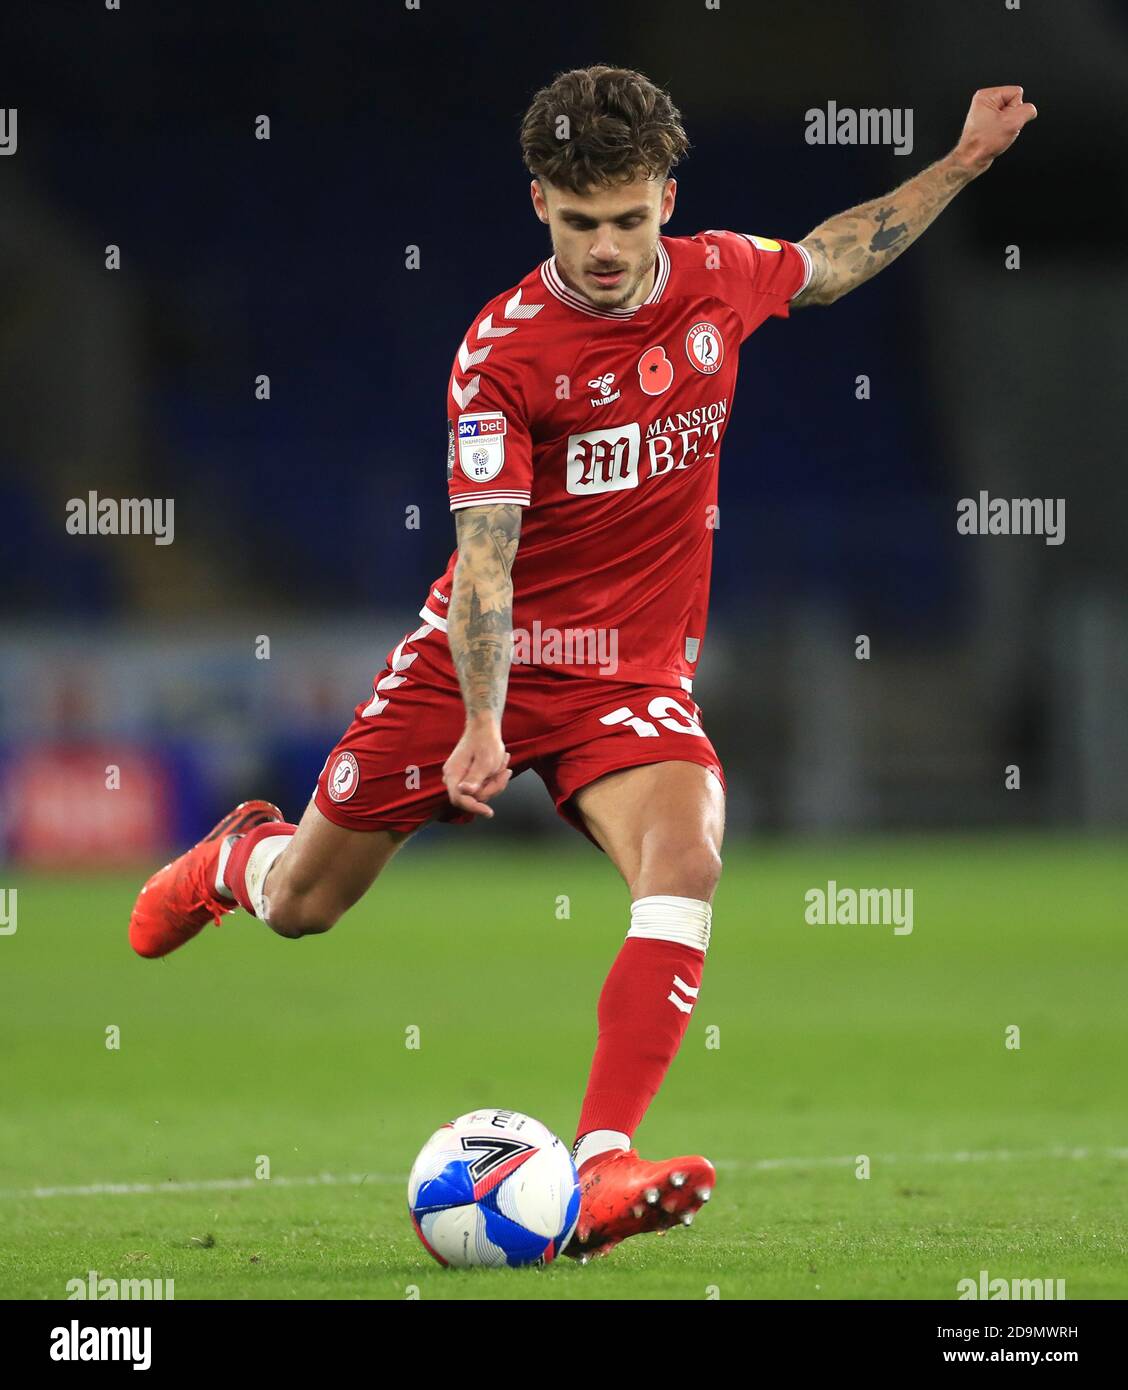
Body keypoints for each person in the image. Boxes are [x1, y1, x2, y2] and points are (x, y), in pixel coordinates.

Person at [129, 65, 1036, 1261]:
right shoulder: (501, 358)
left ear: (667, 194)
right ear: (539, 204)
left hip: (631, 676)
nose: (606, 248)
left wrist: (964, 163)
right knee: (308, 904)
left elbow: (834, 254)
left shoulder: (719, 276)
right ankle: (238, 856)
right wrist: (481, 726)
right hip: (475, 665)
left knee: (689, 852)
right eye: (578, 221)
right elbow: (486, 566)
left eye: (627, 218)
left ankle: (605, 1164)